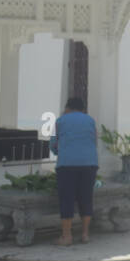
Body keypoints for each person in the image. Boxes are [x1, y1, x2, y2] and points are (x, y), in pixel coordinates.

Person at [49, 97, 98, 246]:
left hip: (67, 165)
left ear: (67, 107)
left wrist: (61, 151)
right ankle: (85, 234)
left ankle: (67, 236)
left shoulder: (60, 121)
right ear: (83, 109)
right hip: (89, 163)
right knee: (86, 197)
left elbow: (53, 144)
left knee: (67, 199)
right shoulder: (90, 120)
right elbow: (94, 141)